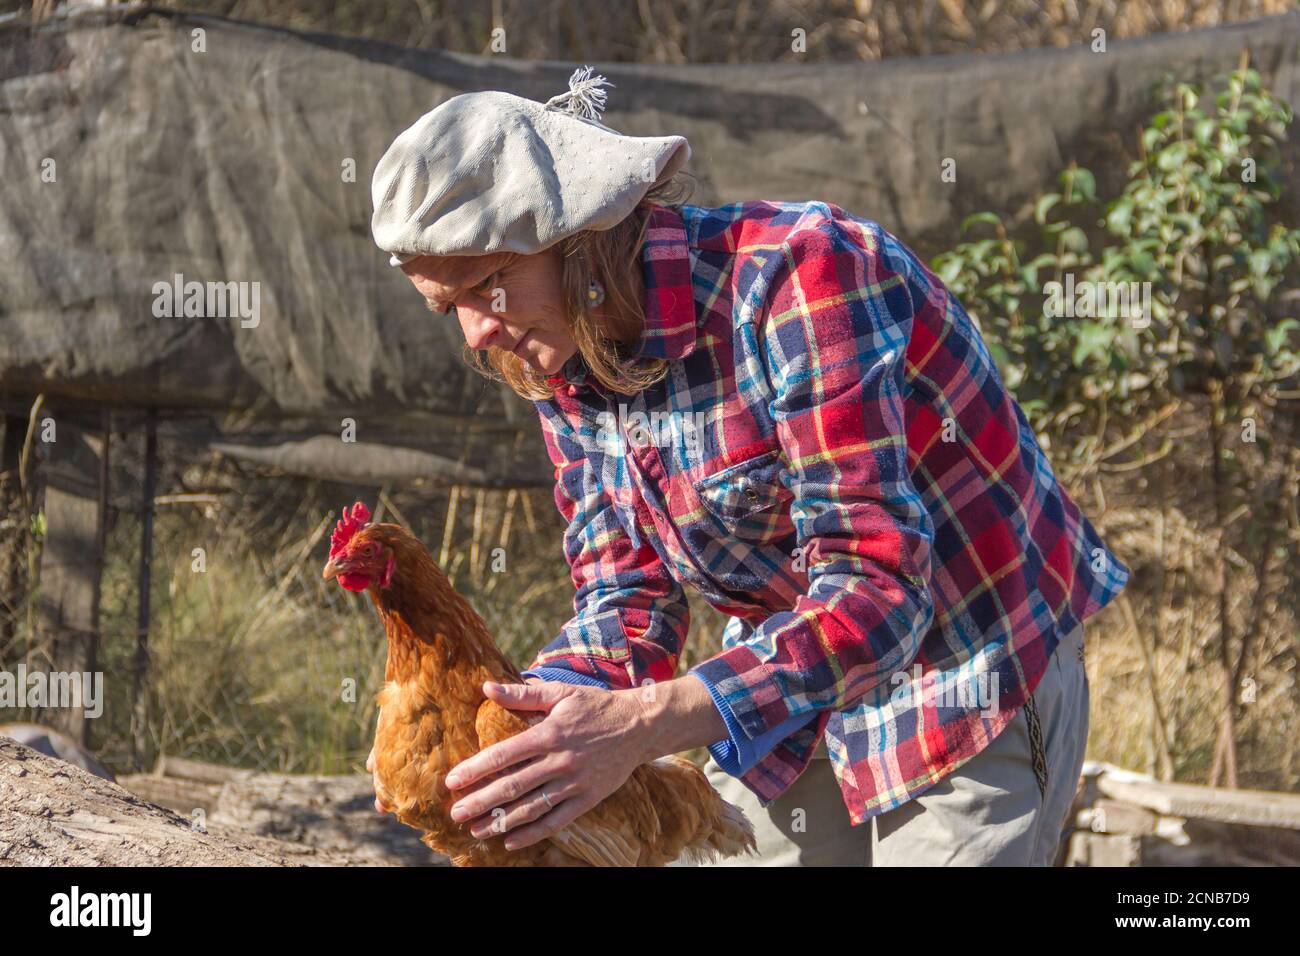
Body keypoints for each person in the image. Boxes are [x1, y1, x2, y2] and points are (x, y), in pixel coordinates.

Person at [365, 68, 1128, 865]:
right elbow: (626, 596)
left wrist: (644, 724)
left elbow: (876, 587)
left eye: (489, 285)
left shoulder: (800, 277)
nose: (476, 333)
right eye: (450, 307)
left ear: (579, 236)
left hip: (966, 658)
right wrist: (508, 732)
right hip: (794, 667)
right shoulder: (559, 350)